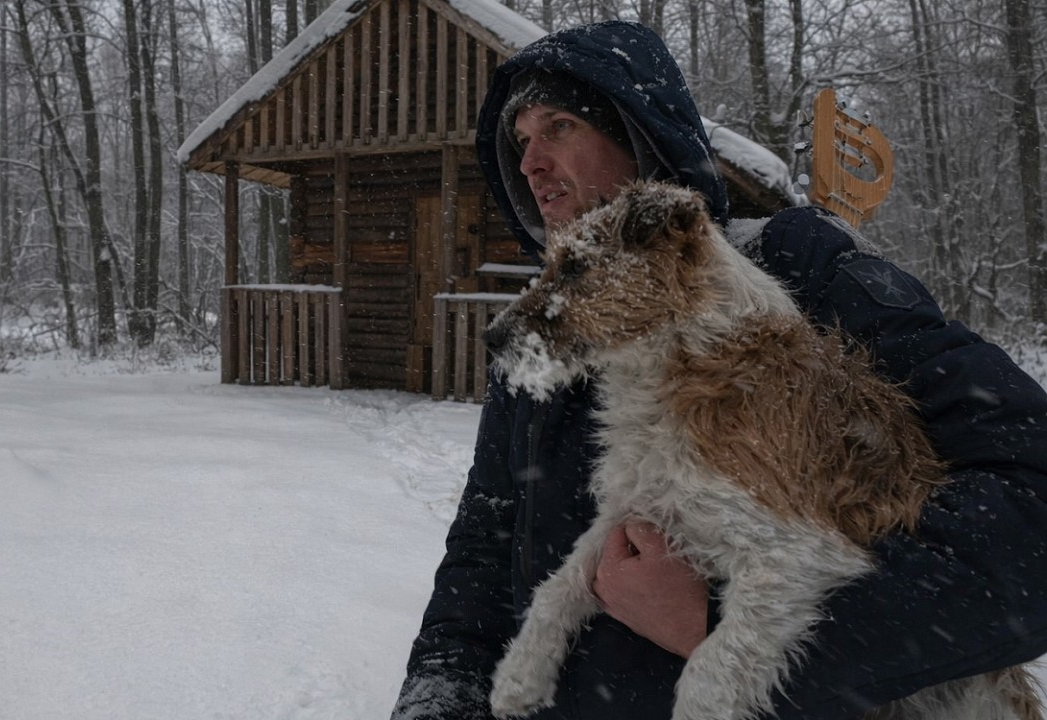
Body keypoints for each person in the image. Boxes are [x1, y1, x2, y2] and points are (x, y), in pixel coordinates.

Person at [390, 20, 1047, 720]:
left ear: (642, 134)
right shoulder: (549, 337)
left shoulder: (803, 277)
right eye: (520, 141)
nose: (530, 163)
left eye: (558, 126)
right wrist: (441, 690)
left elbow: (1029, 511)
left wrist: (719, 628)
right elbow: (484, 546)